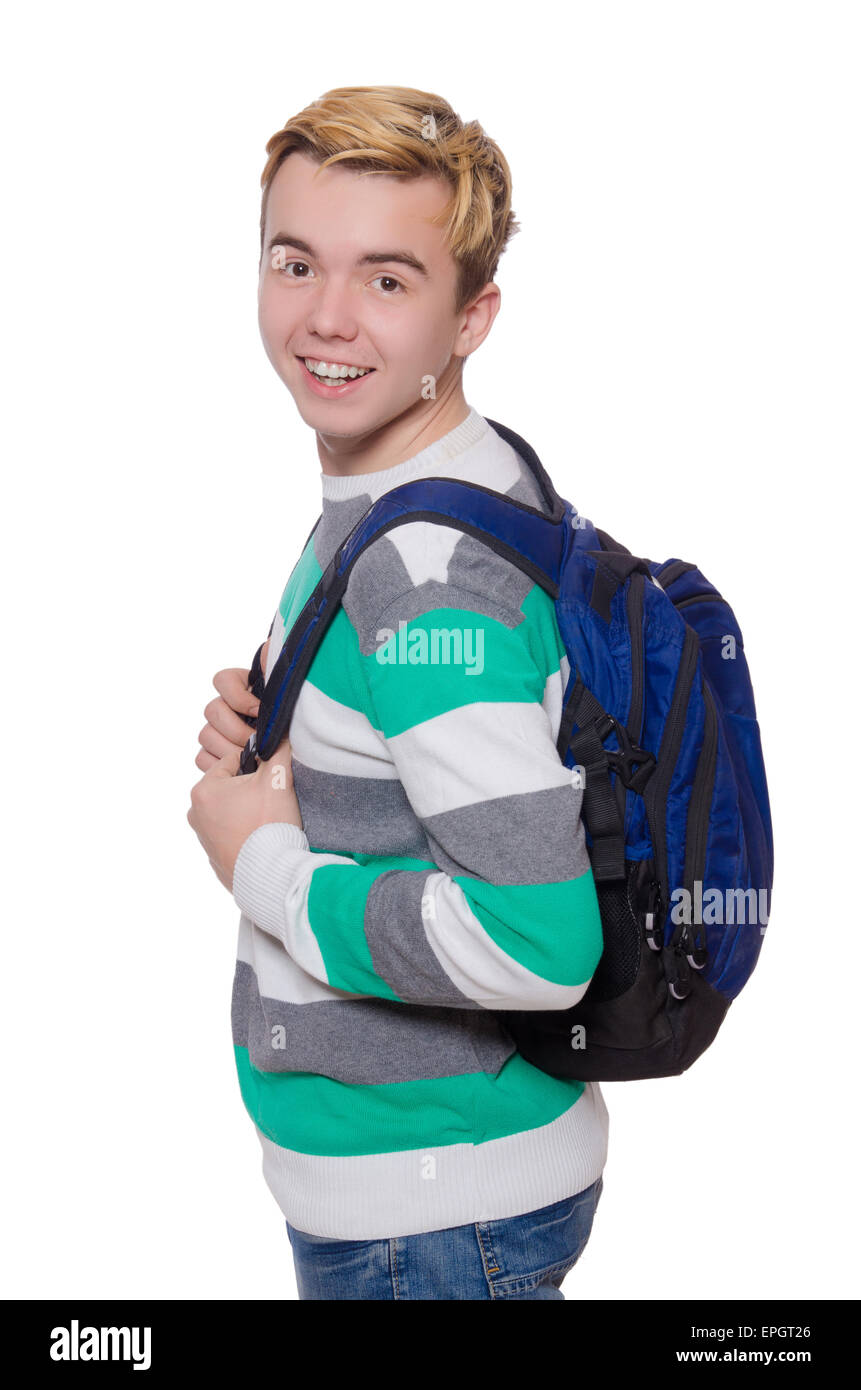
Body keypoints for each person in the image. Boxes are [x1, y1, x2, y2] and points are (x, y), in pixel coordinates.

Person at [187, 84, 608, 1301]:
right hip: (438, 1189)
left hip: (428, 1214)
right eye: (295, 260)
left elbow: (538, 944)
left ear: (471, 315)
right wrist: (293, 739)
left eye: (387, 279)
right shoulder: (436, 485)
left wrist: (259, 862)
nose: (326, 317)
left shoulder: (424, 580)